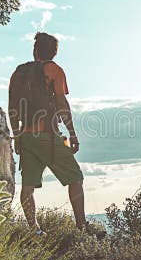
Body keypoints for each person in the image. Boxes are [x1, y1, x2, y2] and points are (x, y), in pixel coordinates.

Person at [8, 32, 86, 235]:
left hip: (26, 137)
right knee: (75, 177)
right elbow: (61, 104)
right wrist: (73, 134)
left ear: (35, 51)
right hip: (48, 135)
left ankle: (34, 230)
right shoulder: (54, 70)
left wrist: (17, 136)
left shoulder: (18, 72)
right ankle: (82, 228)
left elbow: (12, 107)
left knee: (28, 185)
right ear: (54, 53)